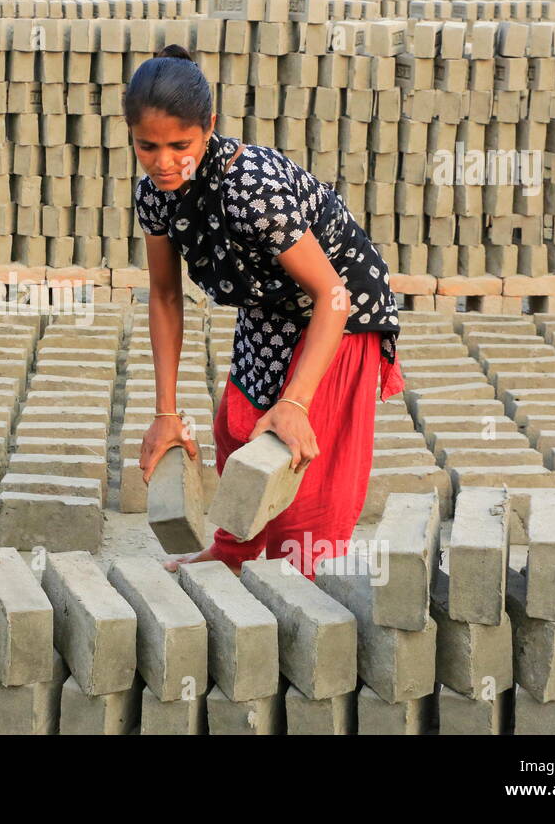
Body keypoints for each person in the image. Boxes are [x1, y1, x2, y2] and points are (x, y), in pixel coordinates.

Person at [130, 46, 405, 579]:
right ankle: (232, 555)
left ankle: (299, 586)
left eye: (180, 146)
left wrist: (297, 402)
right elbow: (165, 297)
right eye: (148, 146)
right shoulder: (155, 197)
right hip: (270, 303)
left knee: (296, 457)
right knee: (240, 429)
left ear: (209, 126)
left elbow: (332, 295)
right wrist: (165, 414)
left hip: (339, 305)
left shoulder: (251, 189)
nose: (165, 163)